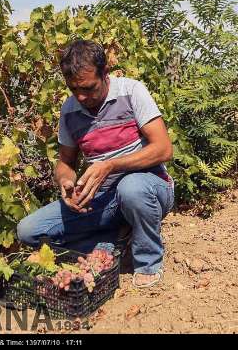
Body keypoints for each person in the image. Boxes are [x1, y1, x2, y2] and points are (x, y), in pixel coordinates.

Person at [17, 39, 174, 288]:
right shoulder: (69, 110)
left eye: (89, 88)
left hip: (150, 188)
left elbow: (164, 149)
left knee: (131, 188)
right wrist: (65, 181)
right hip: (103, 199)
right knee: (28, 231)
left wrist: (110, 165)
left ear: (105, 74)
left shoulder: (131, 92)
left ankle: (147, 262)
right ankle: (115, 238)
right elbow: (65, 162)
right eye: (73, 89)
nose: (81, 96)